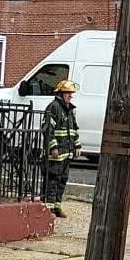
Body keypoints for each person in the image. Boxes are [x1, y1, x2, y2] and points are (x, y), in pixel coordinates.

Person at [42, 79, 82, 218]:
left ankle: (57, 207)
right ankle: (49, 209)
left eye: (71, 93)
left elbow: (74, 130)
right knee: (53, 179)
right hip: (56, 153)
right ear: (60, 93)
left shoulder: (70, 109)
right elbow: (48, 130)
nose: (71, 95)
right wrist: (53, 147)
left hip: (67, 152)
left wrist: (77, 146)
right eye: (68, 93)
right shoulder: (53, 107)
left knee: (62, 179)